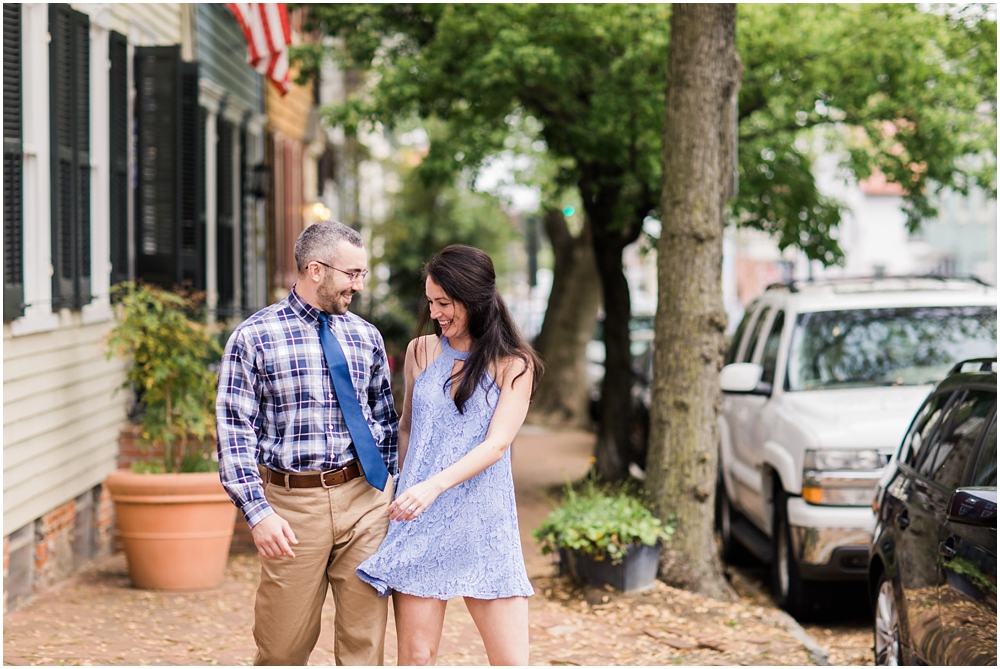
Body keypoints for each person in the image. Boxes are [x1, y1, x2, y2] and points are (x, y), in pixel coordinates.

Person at [216, 221, 398, 666]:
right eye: (351, 274)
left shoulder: (366, 336)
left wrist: (389, 484)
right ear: (315, 270)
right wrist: (258, 513)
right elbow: (234, 431)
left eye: (361, 274)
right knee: (282, 648)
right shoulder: (253, 337)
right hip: (293, 508)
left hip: (366, 499)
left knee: (364, 648)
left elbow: (384, 417)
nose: (358, 285)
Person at [356, 244, 542, 666]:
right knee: (417, 658)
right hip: (418, 519)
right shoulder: (422, 351)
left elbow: (496, 444)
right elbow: (407, 427)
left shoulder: (514, 364)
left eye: (444, 303)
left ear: (473, 299)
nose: (435, 312)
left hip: (483, 519)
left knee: (511, 661)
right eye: (430, 301)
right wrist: (399, 488)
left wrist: (433, 486)